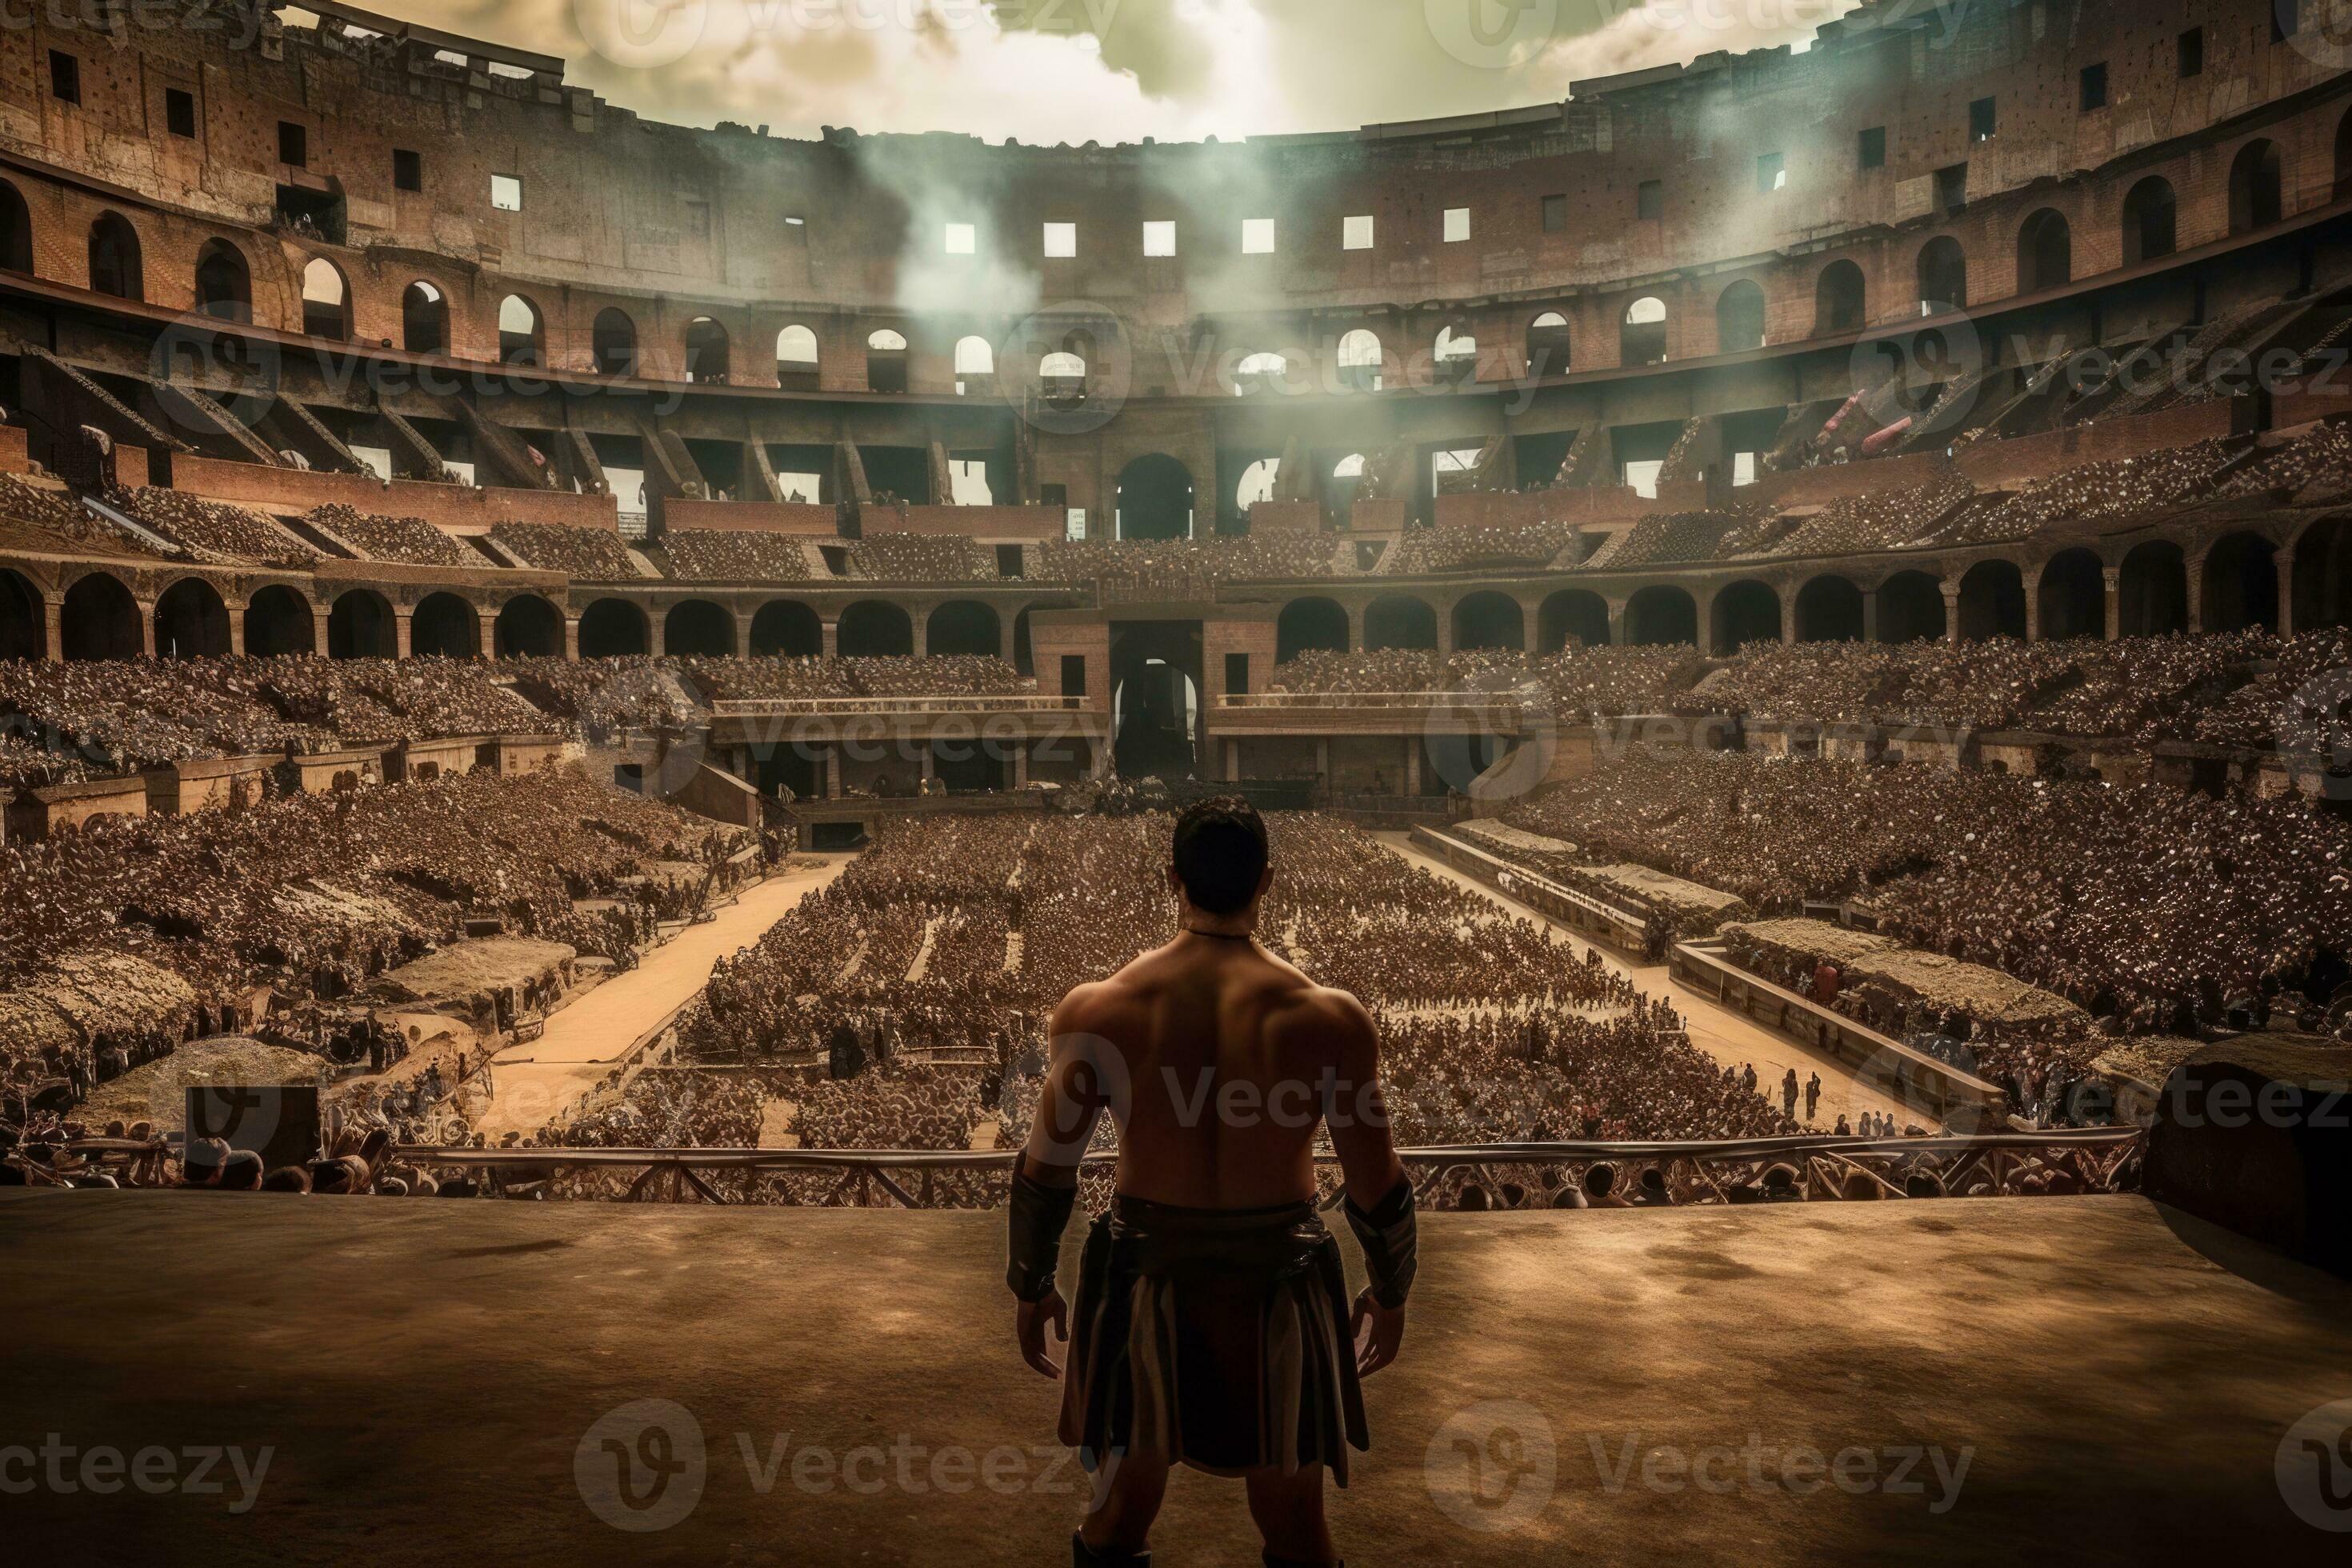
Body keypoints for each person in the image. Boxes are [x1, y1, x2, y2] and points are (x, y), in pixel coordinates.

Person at [1008, 797, 1413, 1568]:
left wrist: (1031, 1284)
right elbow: (1375, 1183)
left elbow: (1044, 1172)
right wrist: (1390, 1291)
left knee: (1121, 1509)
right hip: (1280, 1290)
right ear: (1269, 881)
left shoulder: (1099, 1011)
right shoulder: (1330, 1019)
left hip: (1142, 1285)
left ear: (1173, 879)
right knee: (1296, 1525)